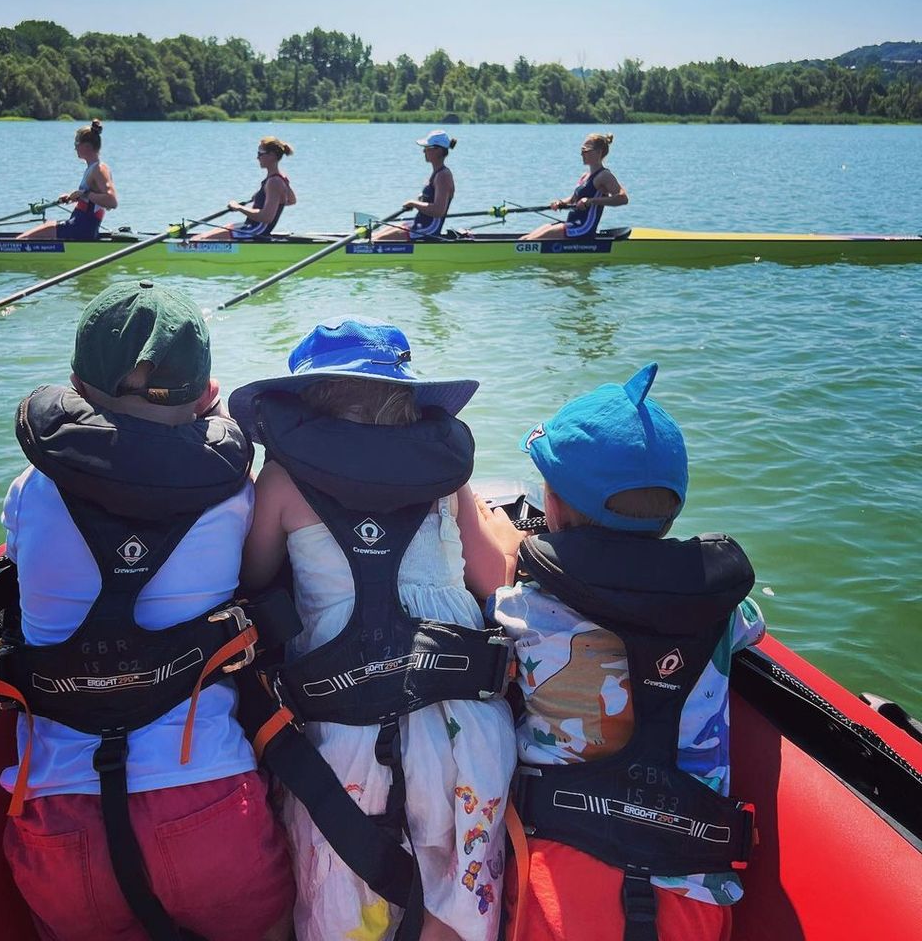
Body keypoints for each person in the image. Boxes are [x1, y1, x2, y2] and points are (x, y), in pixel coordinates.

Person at [0, 280, 293, 941]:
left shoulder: (29, 491)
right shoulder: (235, 498)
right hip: (209, 809)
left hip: (60, 823)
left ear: (76, 387)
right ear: (208, 397)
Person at [229, 317, 518, 941]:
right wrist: (502, 532)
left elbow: (252, 576)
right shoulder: (448, 476)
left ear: (305, 404)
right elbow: (493, 577)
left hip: (343, 733)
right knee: (454, 901)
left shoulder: (281, 479)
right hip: (462, 728)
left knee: (344, 899)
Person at [480, 363, 765, 941]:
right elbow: (754, 630)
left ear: (552, 504)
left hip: (562, 877)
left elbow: (490, 601)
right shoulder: (725, 612)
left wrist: (514, 552)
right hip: (694, 889)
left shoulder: (525, 610)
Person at [17, 120, 118, 240]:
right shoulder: (92, 168)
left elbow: (112, 202)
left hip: (80, 230)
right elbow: (91, 202)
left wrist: (84, 194)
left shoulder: (100, 169)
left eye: (77, 143)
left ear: (87, 146)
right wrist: (72, 197)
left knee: (23, 239)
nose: (75, 147)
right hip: (77, 226)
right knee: (35, 233)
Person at [521, 132, 627, 241]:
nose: (582, 154)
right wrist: (560, 202)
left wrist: (591, 201)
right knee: (526, 238)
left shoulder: (604, 175)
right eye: (581, 150)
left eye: (585, 150)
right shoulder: (585, 176)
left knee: (531, 241)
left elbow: (623, 198)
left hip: (584, 229)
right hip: (572, 224)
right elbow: (573, 199)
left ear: (598, 152)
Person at [193, 136, 297, 240]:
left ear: (272, 155)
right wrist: (266, 200)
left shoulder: (274, 182)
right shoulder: (280, 178)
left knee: (200, 239)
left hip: (256, 231)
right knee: (201, 236)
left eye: (260, 153)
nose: (257, 157)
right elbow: (291, 200)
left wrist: (238, 207)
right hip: (250, 226)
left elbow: (266, 217)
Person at [372, 129, 456, 242]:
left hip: (428, 230)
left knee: (376, 240)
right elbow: (431, 199)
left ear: (438, 150)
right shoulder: (437, 173)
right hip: (420, 223)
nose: (423, 151)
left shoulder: (443, 176)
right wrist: (420, 199)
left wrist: (414, 203)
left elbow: (438, 210)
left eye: (427, 147)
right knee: (374, 236)